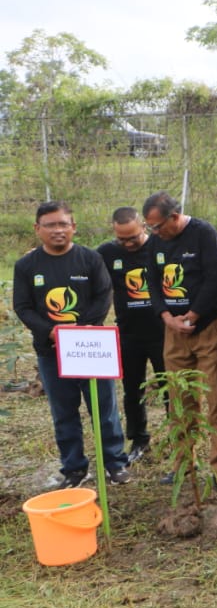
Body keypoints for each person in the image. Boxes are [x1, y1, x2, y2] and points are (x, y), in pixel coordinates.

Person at [15, 201, 131, 488]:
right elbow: (23, 306)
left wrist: (79, 331)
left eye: (63, 224)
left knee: (104, 408)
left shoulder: (90, 260)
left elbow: (103, 296)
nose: (58, 230)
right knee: (64, 412)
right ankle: (74, 468)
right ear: (37, 229)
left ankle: (115, 463)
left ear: (73, 227)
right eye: (51, 225)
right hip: (51, 351)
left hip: (91, 348)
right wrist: (51, 332)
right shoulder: (27, 266)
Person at [143, 191, 217, 488]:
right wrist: (165, 317)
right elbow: (152, 281)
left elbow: (214, 279)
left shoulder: (204, 234)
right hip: (174, 331)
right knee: (180, 400)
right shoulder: (157, 242)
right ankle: (184, 463)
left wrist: (194, 315)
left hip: (208, 327)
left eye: (157, 226)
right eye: (150, 228)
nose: (154, 233)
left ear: (174, 217)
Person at [97, 206, 165, 464]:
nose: (127, 243)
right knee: (132, 389)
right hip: (128, 333)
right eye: (121, 239)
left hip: (162, 332)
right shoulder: (106, 253)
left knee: (170, 387)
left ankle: (177, 435)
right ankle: (138, 438)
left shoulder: (159, 246)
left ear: (144, 228)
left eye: (133, 237)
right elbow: (83, 265)